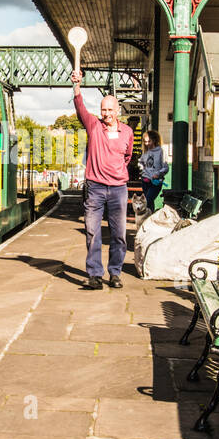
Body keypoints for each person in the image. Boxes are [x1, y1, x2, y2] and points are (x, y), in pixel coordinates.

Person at [71, 69, 133, 289]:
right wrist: (77, 85)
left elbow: (127, 156)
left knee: (119, 234)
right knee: (92, 232)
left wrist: (114, 172)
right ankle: (95, 275)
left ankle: (115, 273)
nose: (106, 113)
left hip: (118, 189)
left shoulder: (127, 131)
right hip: (95, 188)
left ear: (117, 110)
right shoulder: (93, 125)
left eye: (110, 109)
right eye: (103, 109)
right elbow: (80, 108)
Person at [138, 129, 168, 211]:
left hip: (156, 182)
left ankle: (147, 219)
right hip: (145, 180)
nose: (146, 144)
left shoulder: (161, 151)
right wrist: (141, 168)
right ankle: (149, 220)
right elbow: (141, 162)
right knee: (150, 203)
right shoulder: (145, 152)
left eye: (149, 141)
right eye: (145, 141)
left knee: (147, 201)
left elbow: (166, 167)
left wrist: (158, 174)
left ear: (154, 140)